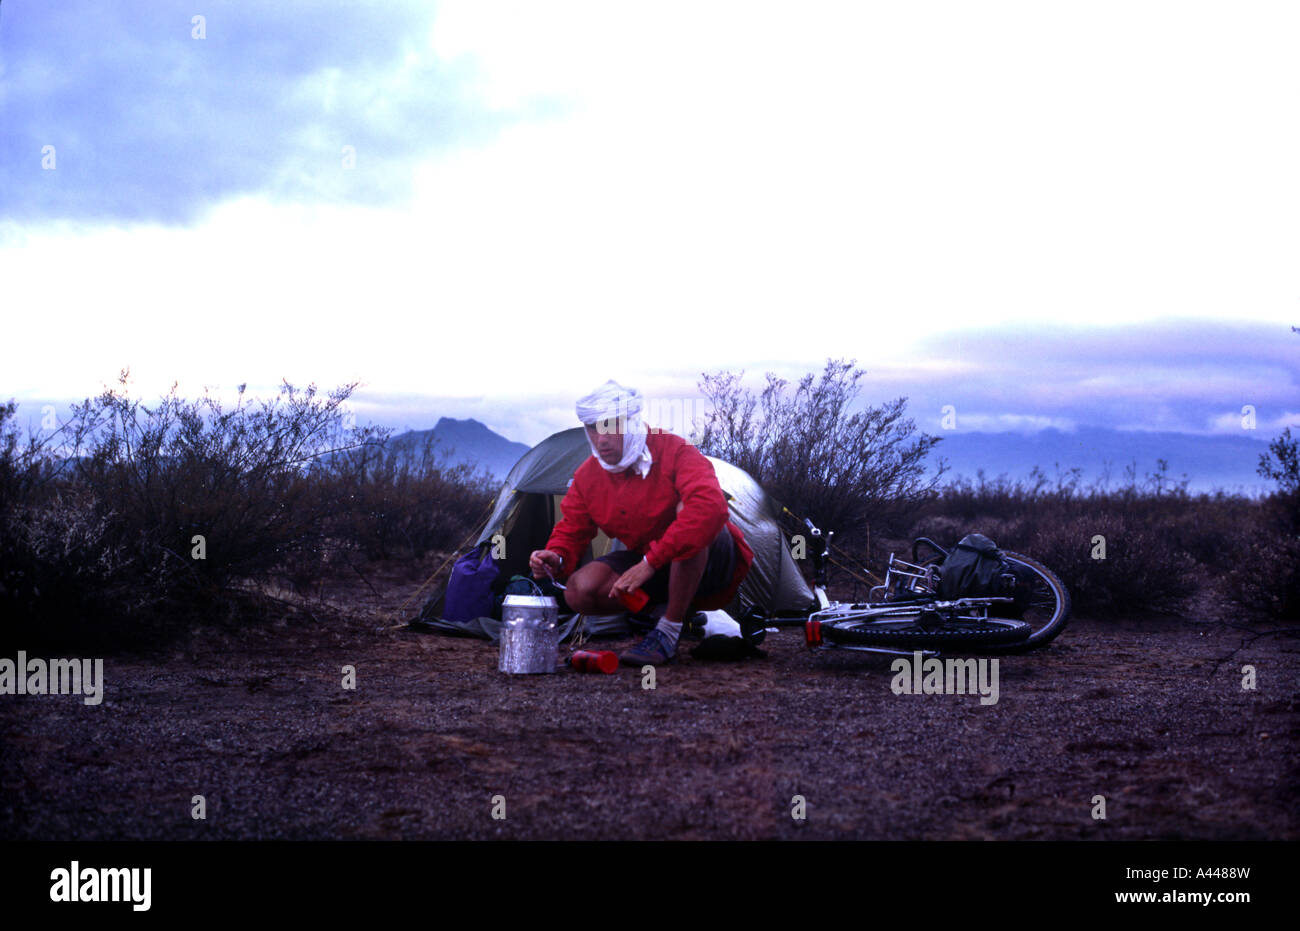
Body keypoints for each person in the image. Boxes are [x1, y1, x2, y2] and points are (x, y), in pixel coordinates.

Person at [529, 380, 753, 665]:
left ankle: (670, 630)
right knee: (579, 591)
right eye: (593, 428)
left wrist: (650, 562)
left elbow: (709, 508)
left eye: (611, 426)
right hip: (651, 564)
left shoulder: (676, 451)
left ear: (632, 421)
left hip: (713, 560)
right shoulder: (589, 476)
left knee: (691, 514)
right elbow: (572, 527)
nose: (602, 439)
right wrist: (556, 557)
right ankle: (659, 616)